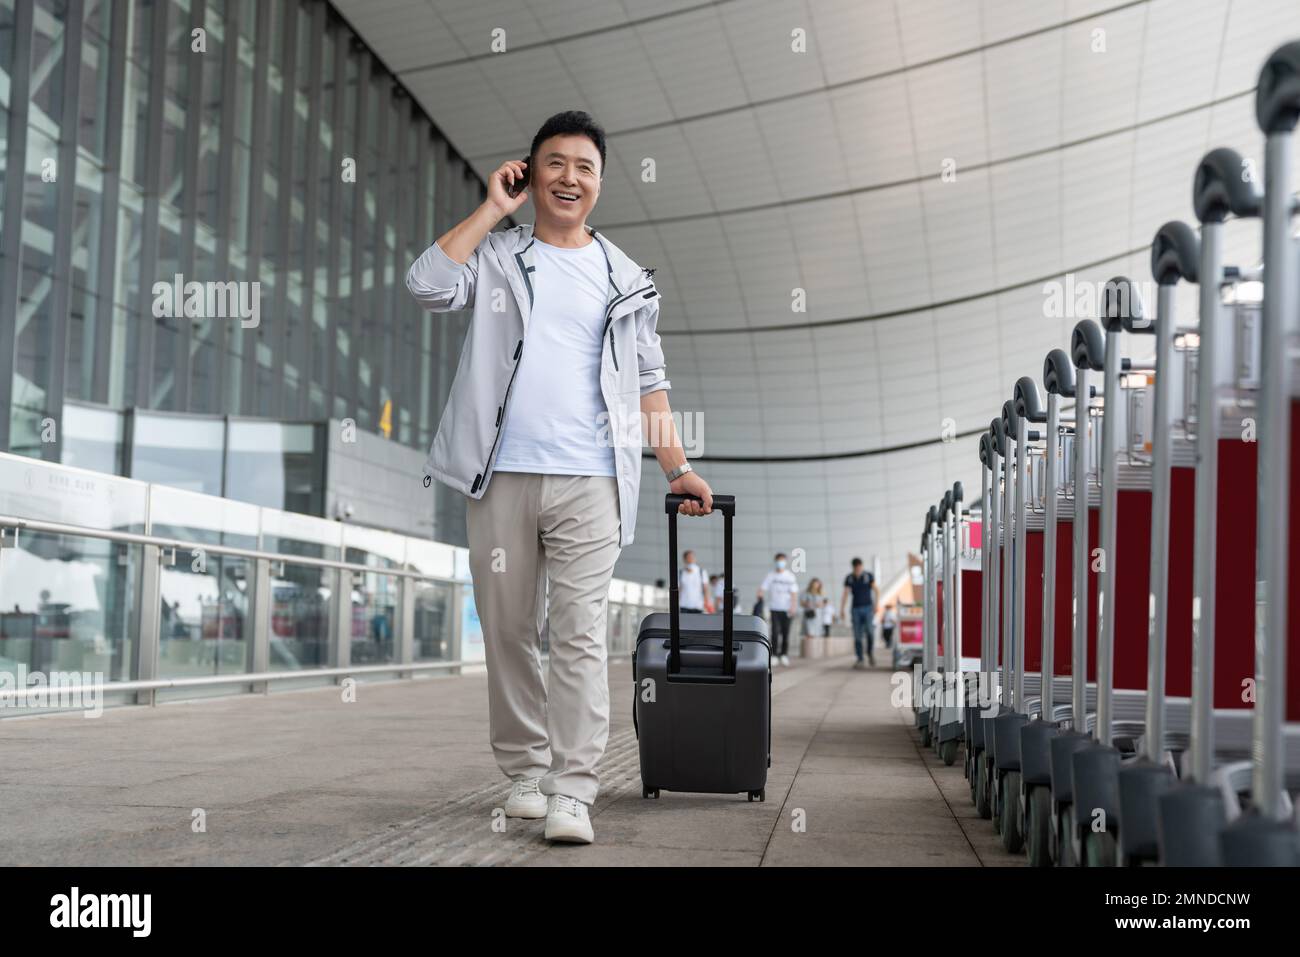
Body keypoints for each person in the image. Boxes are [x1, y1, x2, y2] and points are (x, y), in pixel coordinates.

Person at [407, 110, 714, 846]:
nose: (569, 177)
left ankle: (573, 790)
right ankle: (524, 770)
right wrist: (490, 209)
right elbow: (424, 284)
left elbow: (651, 386)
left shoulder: (626, 279)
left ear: (600, 182)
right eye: (554, 163)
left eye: (583, 166)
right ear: (529, 171)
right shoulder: (496, 257)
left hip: (591, 482)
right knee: (510, 630)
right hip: (502, 474)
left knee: (576, 636)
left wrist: (677, 467)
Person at [758, 553, 798, 666]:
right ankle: (774, 654)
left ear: (785, 562)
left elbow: (794, 592)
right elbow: (762, 588)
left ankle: (784, 654)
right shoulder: (771, 575)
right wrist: (760, 596)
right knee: (774, 632)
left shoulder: (790, 576)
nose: (780, 563)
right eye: (778, 561)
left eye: (782, 561)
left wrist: (793, 606)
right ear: (775, 562)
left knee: (786, 633)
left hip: (787, 609)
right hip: (774, 608)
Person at [840, 557, 878, 668]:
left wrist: (877, 604)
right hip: (855, 609)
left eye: (859, 567)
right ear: (853, 567)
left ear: (862, 566)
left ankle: (870, 653)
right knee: (857, 635)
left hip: (868, 608)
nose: (858, 569)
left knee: (870, 632)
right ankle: (860, 658)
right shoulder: (849, 578)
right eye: (856, 567)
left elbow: (876, 590)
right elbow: (845, 594)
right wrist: (842, 609)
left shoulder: (868, 576)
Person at [678, 550, 713, 614]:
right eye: (688, 558)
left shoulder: (701, 572)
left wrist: (707, 602)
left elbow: (706, 588)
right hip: (684, 605)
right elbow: (679, 589)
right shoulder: (681, 573)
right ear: (684, 559)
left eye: (692, 557)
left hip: (698, 605)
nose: (691, 559)